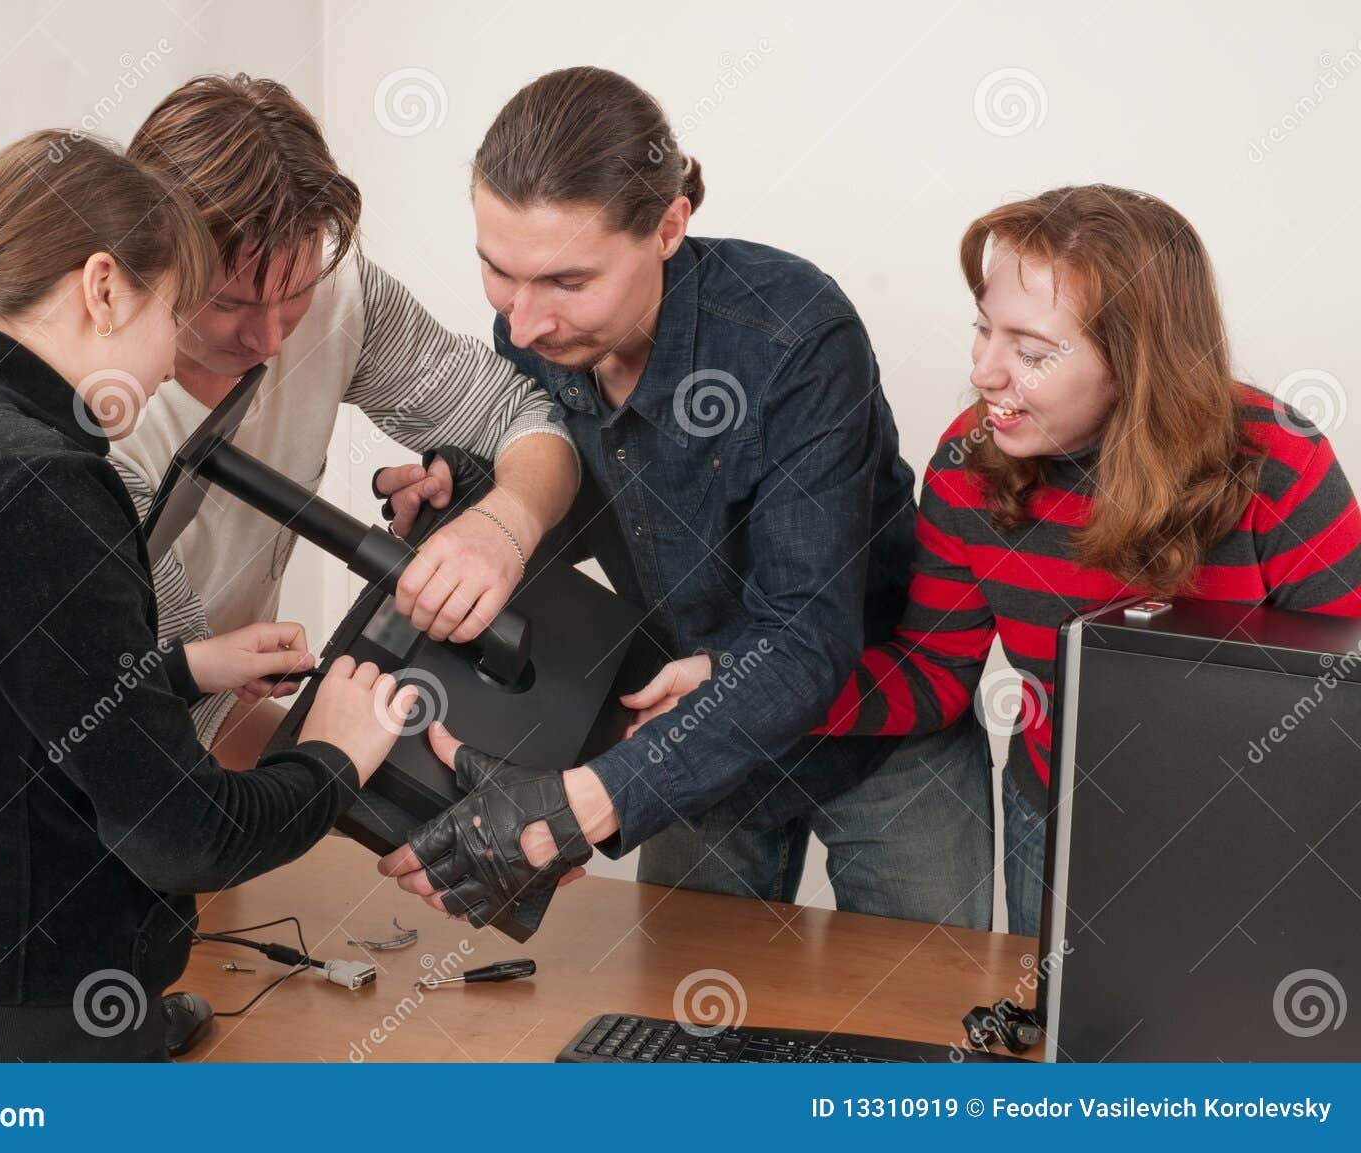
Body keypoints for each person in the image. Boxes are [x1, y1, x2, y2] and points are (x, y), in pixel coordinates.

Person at [0, 131, 413, 1061]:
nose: (171, 366)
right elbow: (184, 835)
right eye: (175, 315)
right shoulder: (36, 480)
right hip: (11, 1045)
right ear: (103, 288)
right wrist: (334, 756)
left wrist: (181, 670)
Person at [380, 67, 995, 933]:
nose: (522, 324)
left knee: (926, 1009)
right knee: (686, 1009)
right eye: (497, 271)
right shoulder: (535, 336)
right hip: (679, 735)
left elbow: (802, 640)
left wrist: (585, 803)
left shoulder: (796, 336)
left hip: (877, 734)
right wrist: (480, 495)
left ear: (669, 226)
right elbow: (599, 507)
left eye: (567, 282)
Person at [805, 185, 1361, 936]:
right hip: (1055, 816)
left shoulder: (1280, 463)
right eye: (984, 330)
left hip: (1248, 831)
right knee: (1054, 1014)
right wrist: (761, 696)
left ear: (1137, 364)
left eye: (1031, 352)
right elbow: (935, 672)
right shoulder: (969, 461)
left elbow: (1342, 703)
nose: (985, 372)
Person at [107, 74, 578, 769]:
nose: (270, 340)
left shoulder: (339, 295)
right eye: (230, 303)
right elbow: (158, 705)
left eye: (292, 295)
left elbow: (522, 417)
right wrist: (334, 770)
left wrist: (501, 521)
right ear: (147, 256)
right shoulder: (100, 433)